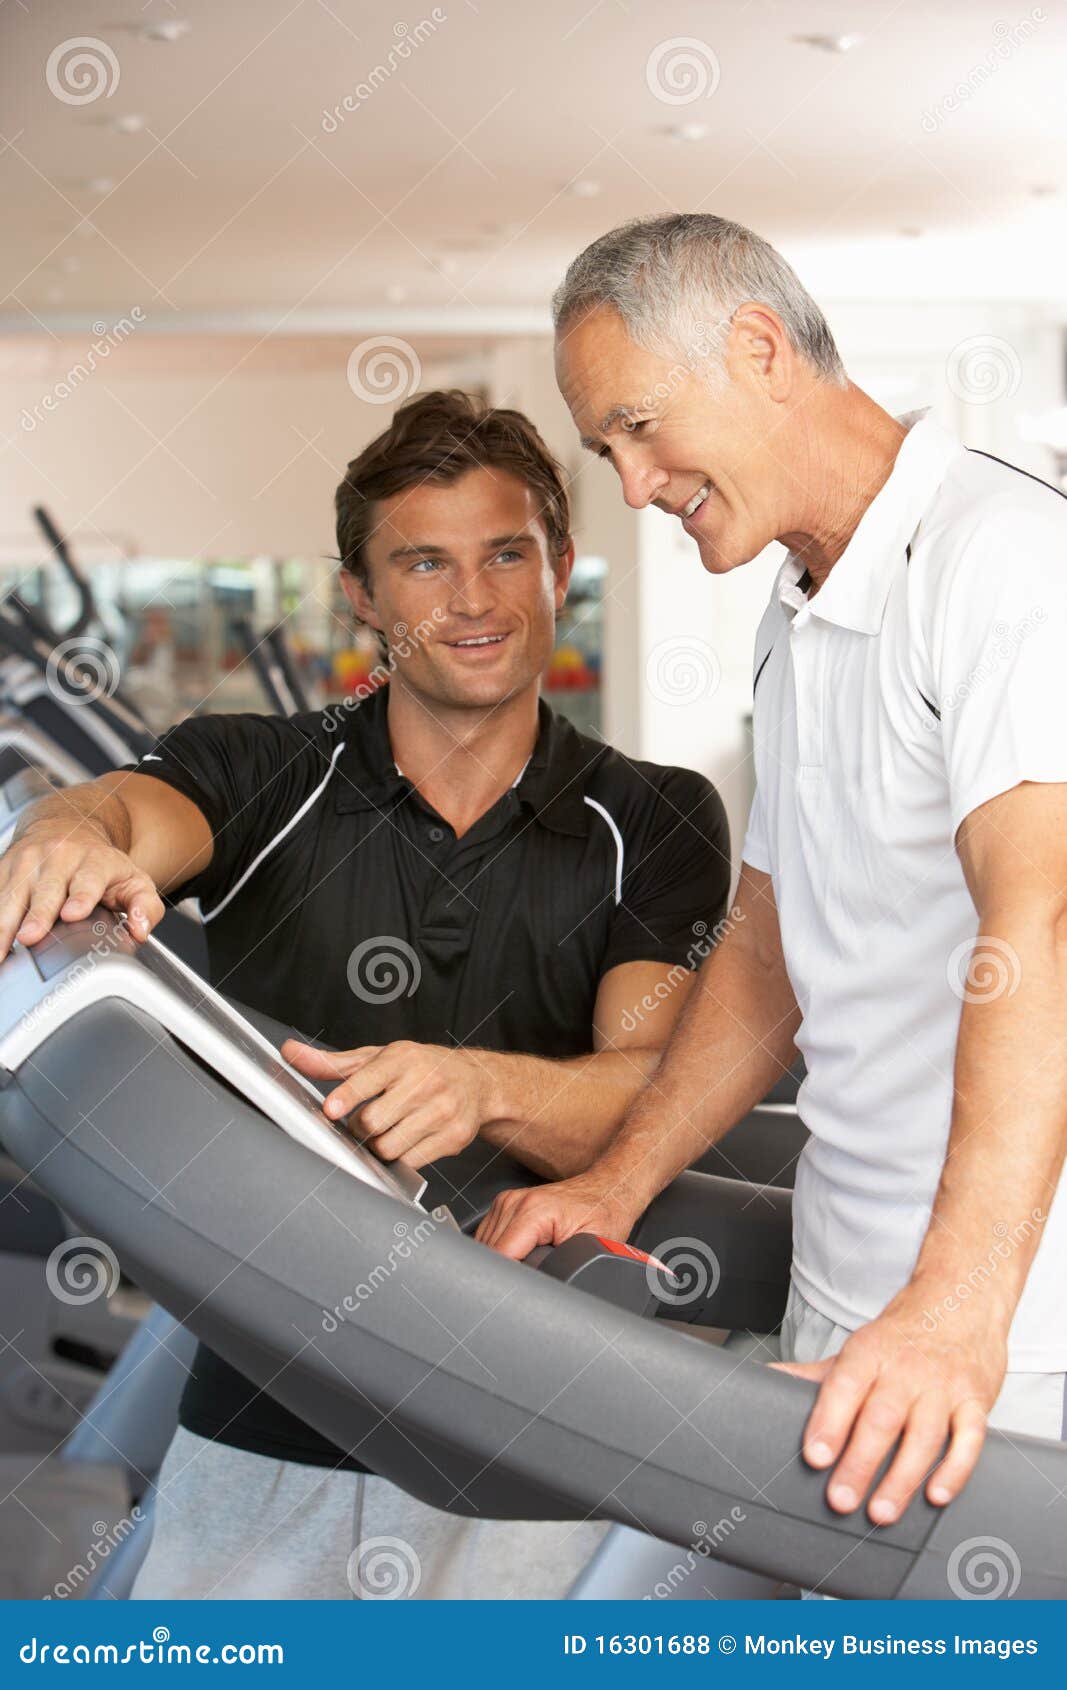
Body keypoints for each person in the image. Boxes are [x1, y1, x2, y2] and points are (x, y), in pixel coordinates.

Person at [0, 390, 730, 1599]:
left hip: (530, 1426)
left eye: (506, 554)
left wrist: (481, 1087)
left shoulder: (650, 815)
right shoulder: (258, 765)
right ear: (360, 593)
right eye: (424, 563)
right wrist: (61, 831)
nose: (475, 599)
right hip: (264, 1413)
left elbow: (652, 1090)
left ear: (559, 565)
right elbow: (122, 815)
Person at [480, 215, 1067, 1552]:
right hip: (852, 1295)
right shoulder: (791, 610)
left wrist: (954, 1316)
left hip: (1004, 1344)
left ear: (754, 347)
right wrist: (618, 1178)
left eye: (635, 428)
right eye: (601, 451)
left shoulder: (995, 561)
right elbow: (765, 946)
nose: (628, 487)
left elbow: (1037, 925)